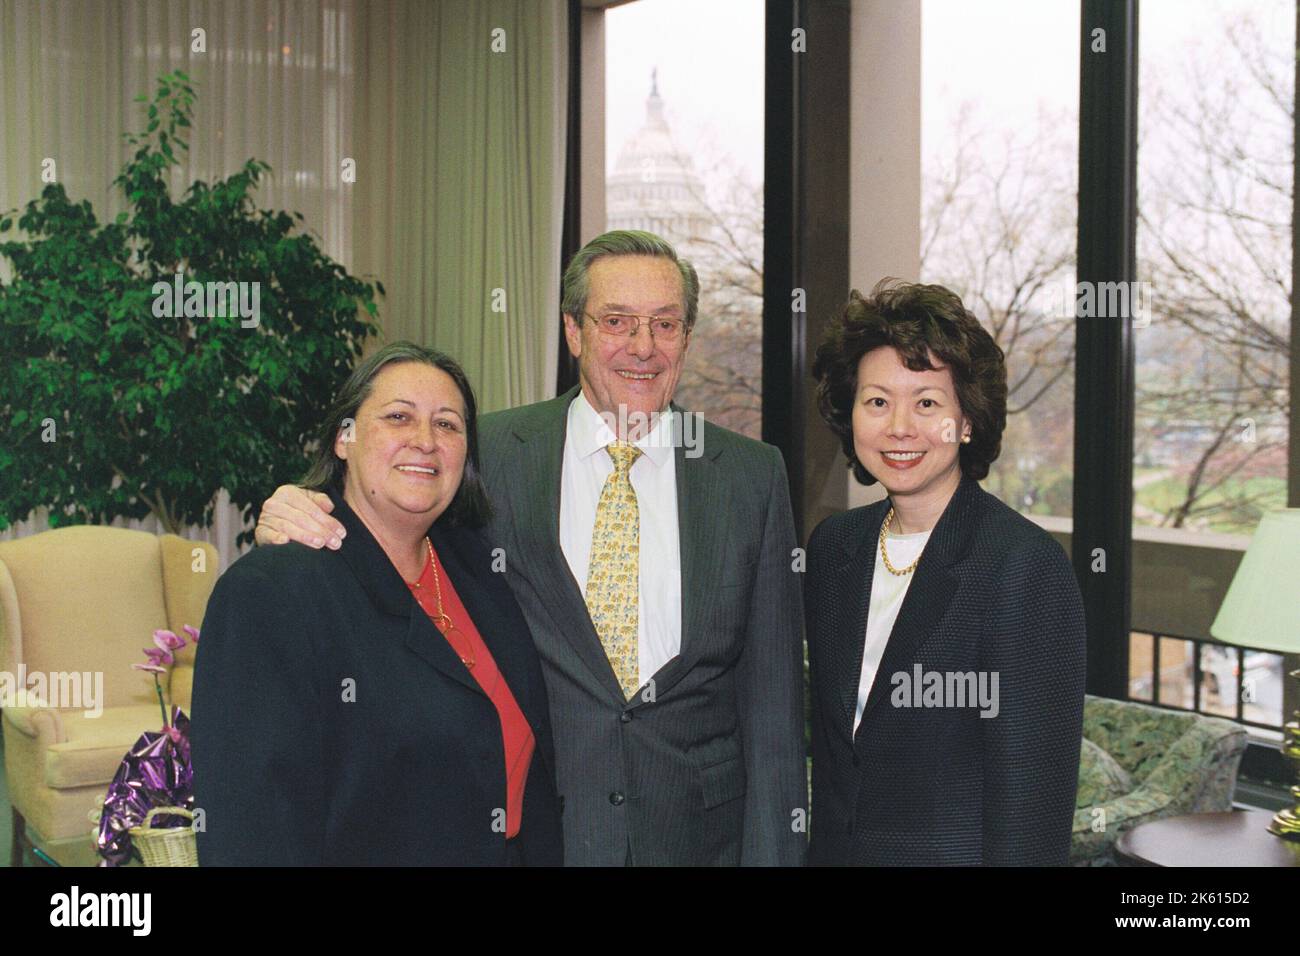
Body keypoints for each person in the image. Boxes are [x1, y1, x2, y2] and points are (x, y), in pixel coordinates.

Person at [254, 230, 807, 866]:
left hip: (699, 841)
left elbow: (773, 713)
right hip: (536, 838)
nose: (643, 347)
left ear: (686, 336)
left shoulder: (750, 476)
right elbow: (393, 536)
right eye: (617, 321)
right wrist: (303, 508)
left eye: (665, 324)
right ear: (574, 331)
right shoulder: (485, 452)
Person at [192, 343, 563, 865]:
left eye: (448, 425)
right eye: (398, 417)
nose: (425, 442)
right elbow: (251, 828)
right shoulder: (271, 593)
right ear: (344, 438)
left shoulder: (480, 567)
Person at [805, 280, 1086, 865]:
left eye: (927, 403)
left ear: (966, 421)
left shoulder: (1022, 567)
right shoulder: (834, 549)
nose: (900, 427)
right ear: (850, 415)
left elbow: (1032, 806)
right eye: (877, 401)